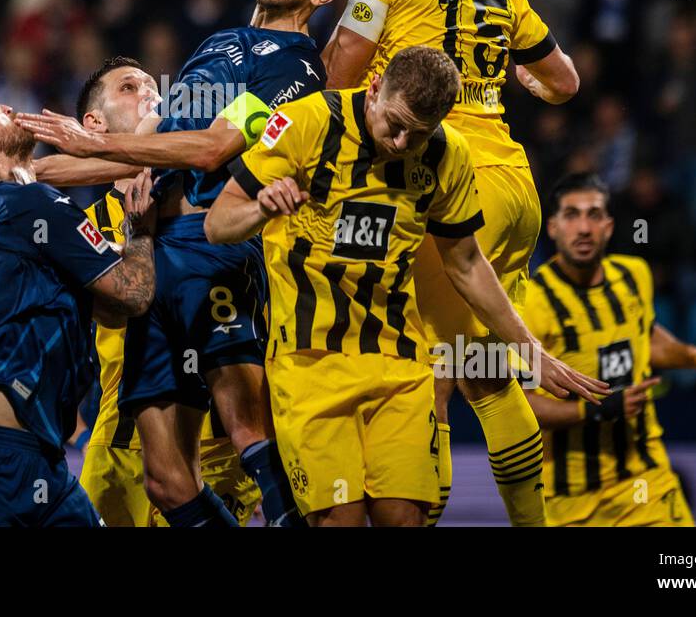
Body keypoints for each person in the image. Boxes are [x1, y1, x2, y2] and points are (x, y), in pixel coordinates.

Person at [19, 0, 353, 526]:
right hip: (153, 262)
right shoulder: (217, 45)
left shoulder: (293, 68)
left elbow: (210, 148)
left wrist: (95, 147)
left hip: (213, 247)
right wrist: (14, 173)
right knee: (169, 481)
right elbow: (141, 150)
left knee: (247, 427)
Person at [204, 46, 607, 526]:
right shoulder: (304, 123)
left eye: (417, 133)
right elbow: (217, 224)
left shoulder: (447, 153)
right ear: (374, 88)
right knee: (343, 522)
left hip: (399, 366)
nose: (399, 142)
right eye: (394, 123)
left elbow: (467, 265)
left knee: (404, 518)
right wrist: (261, 210)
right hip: (310, 368)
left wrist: (531, 352)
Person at [320, 0, 581, 525]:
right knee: (455, 373)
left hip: (446, 183)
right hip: (515, 189)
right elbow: (563, 80)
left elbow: (341, 69)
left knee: (472, 380)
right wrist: (518, 86)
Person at [0, 87, 157, 526]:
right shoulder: (31, 204)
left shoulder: (10, 205)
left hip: (38, 459)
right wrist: (141, 230)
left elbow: (109, 309)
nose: (5, 106)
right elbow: (133, 295)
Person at [73, 56, 261, 525]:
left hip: (217, 448)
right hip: (118, 445)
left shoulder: (223, 207)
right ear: (94, 124)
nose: (152, 95)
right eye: (130, 88)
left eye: (155, 89)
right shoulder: (78, 227)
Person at [524, 172, 696, 526]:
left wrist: (694, 357)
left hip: (645, 481)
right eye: (572, 215)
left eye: (593, 215)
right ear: (552, 228)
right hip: (571, 499)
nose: (583, 228)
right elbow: (523, 405)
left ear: (609, 226)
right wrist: (598, 409)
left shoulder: (634, 275)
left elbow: (646, 334)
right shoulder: (532, 302)